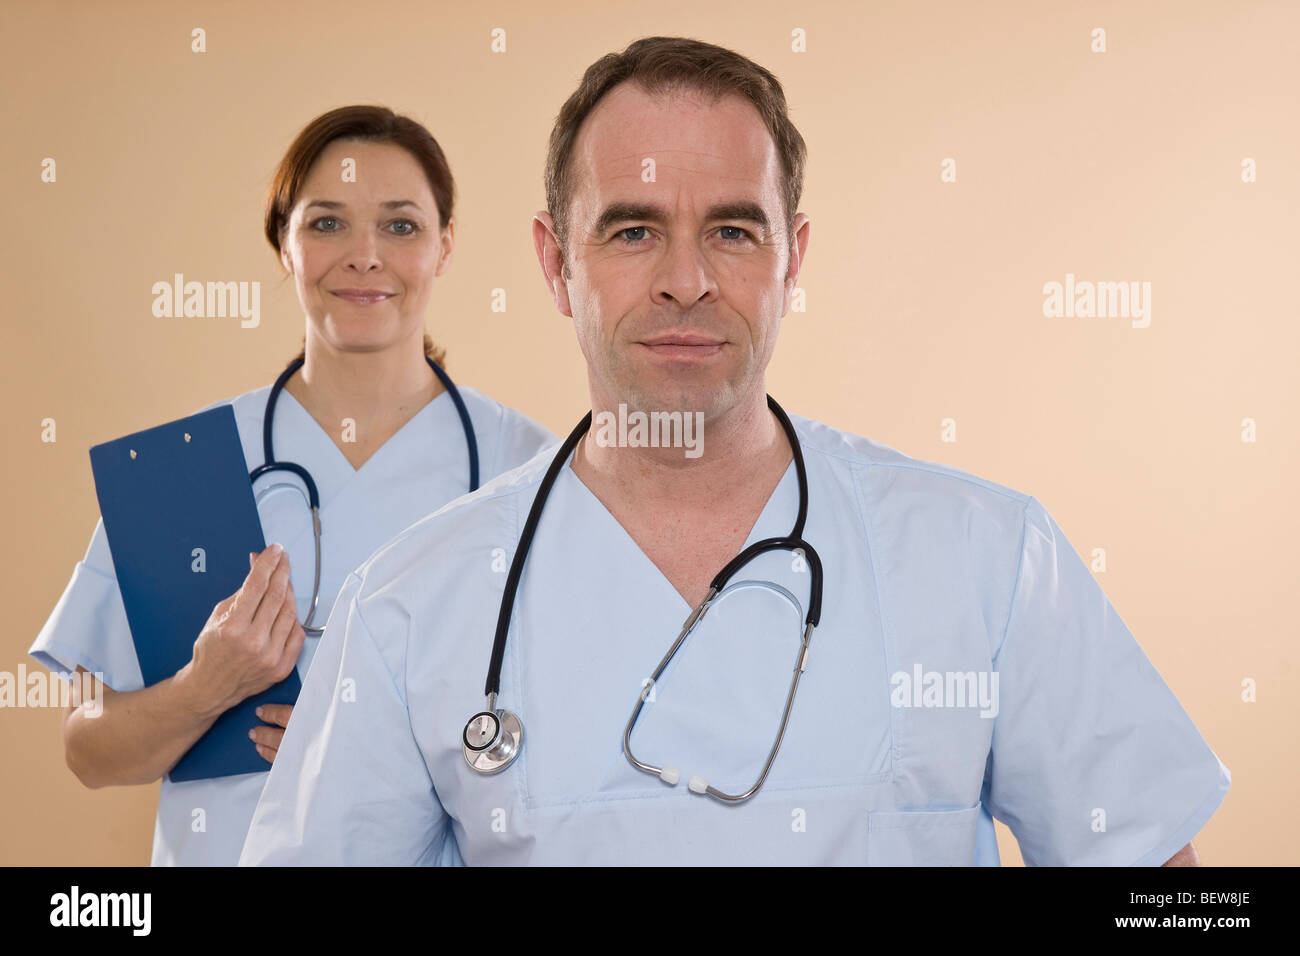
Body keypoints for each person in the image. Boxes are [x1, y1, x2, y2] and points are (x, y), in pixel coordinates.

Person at [239, 40, 1229, 866]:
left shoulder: (984, 557)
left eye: (732, 229)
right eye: (632, 229)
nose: (685, 279)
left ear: (791, 259)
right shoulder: (411, 605)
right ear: (554, 262)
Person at [30, 105, 557, 866]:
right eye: (327, 224)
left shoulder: (526, 470)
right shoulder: (186, 465)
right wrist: (204, 688)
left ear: (446, 246)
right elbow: (87, 746)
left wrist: (372, 738)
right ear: (283, 242)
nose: (365, 256)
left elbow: (581, 732)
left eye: (401, 226)